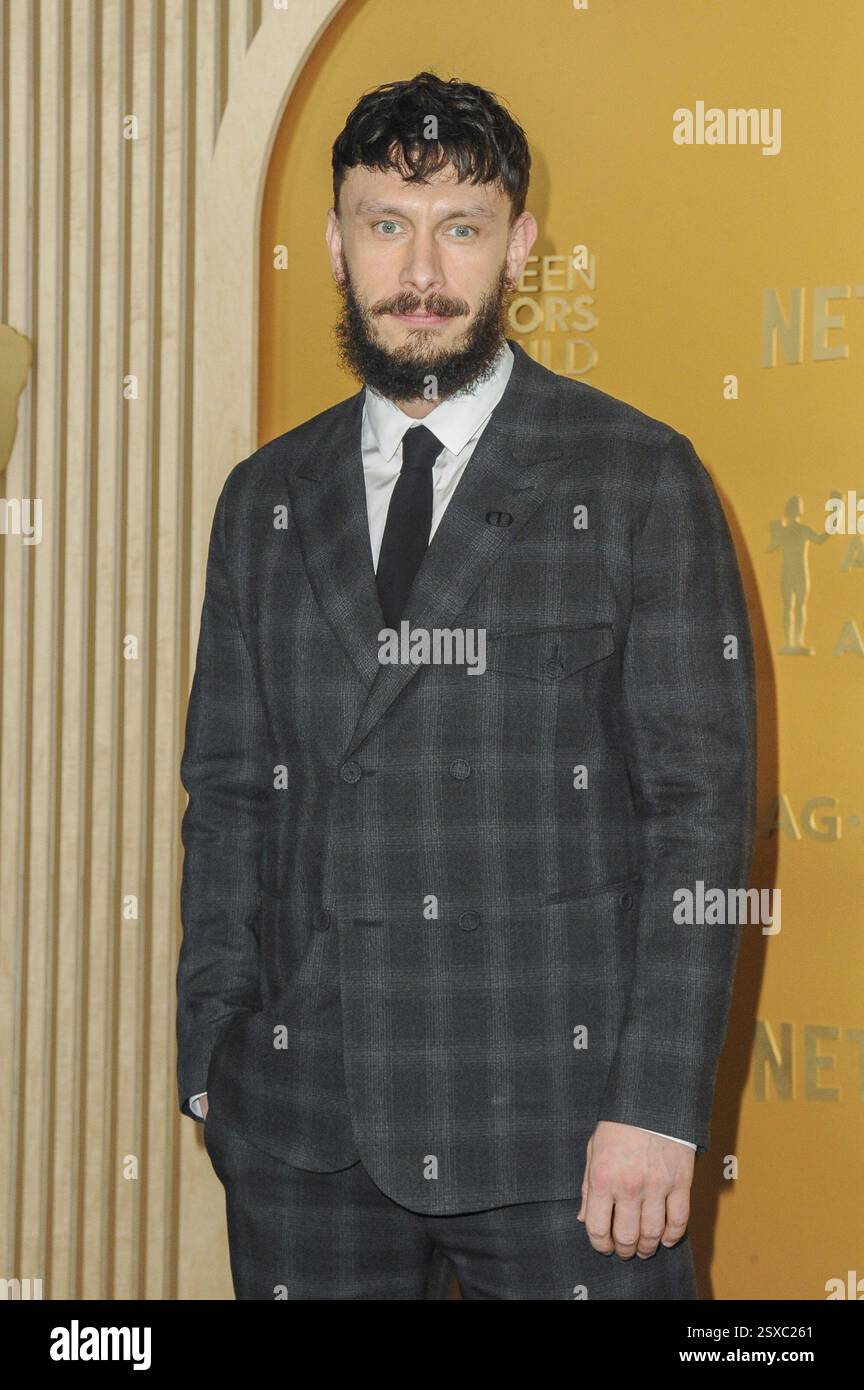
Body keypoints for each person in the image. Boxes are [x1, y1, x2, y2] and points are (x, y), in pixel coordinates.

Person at [176, 71, 757, 1300]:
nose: (422, 270)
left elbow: (702, 820)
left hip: (566, 1139)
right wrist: (210, 1055)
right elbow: (228, 794)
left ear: (520, 247)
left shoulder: (641, 477)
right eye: (388, 224)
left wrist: (658, 1105)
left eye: (462, 228)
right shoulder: (263, 500)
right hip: (303, 1132)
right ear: (336, 244)